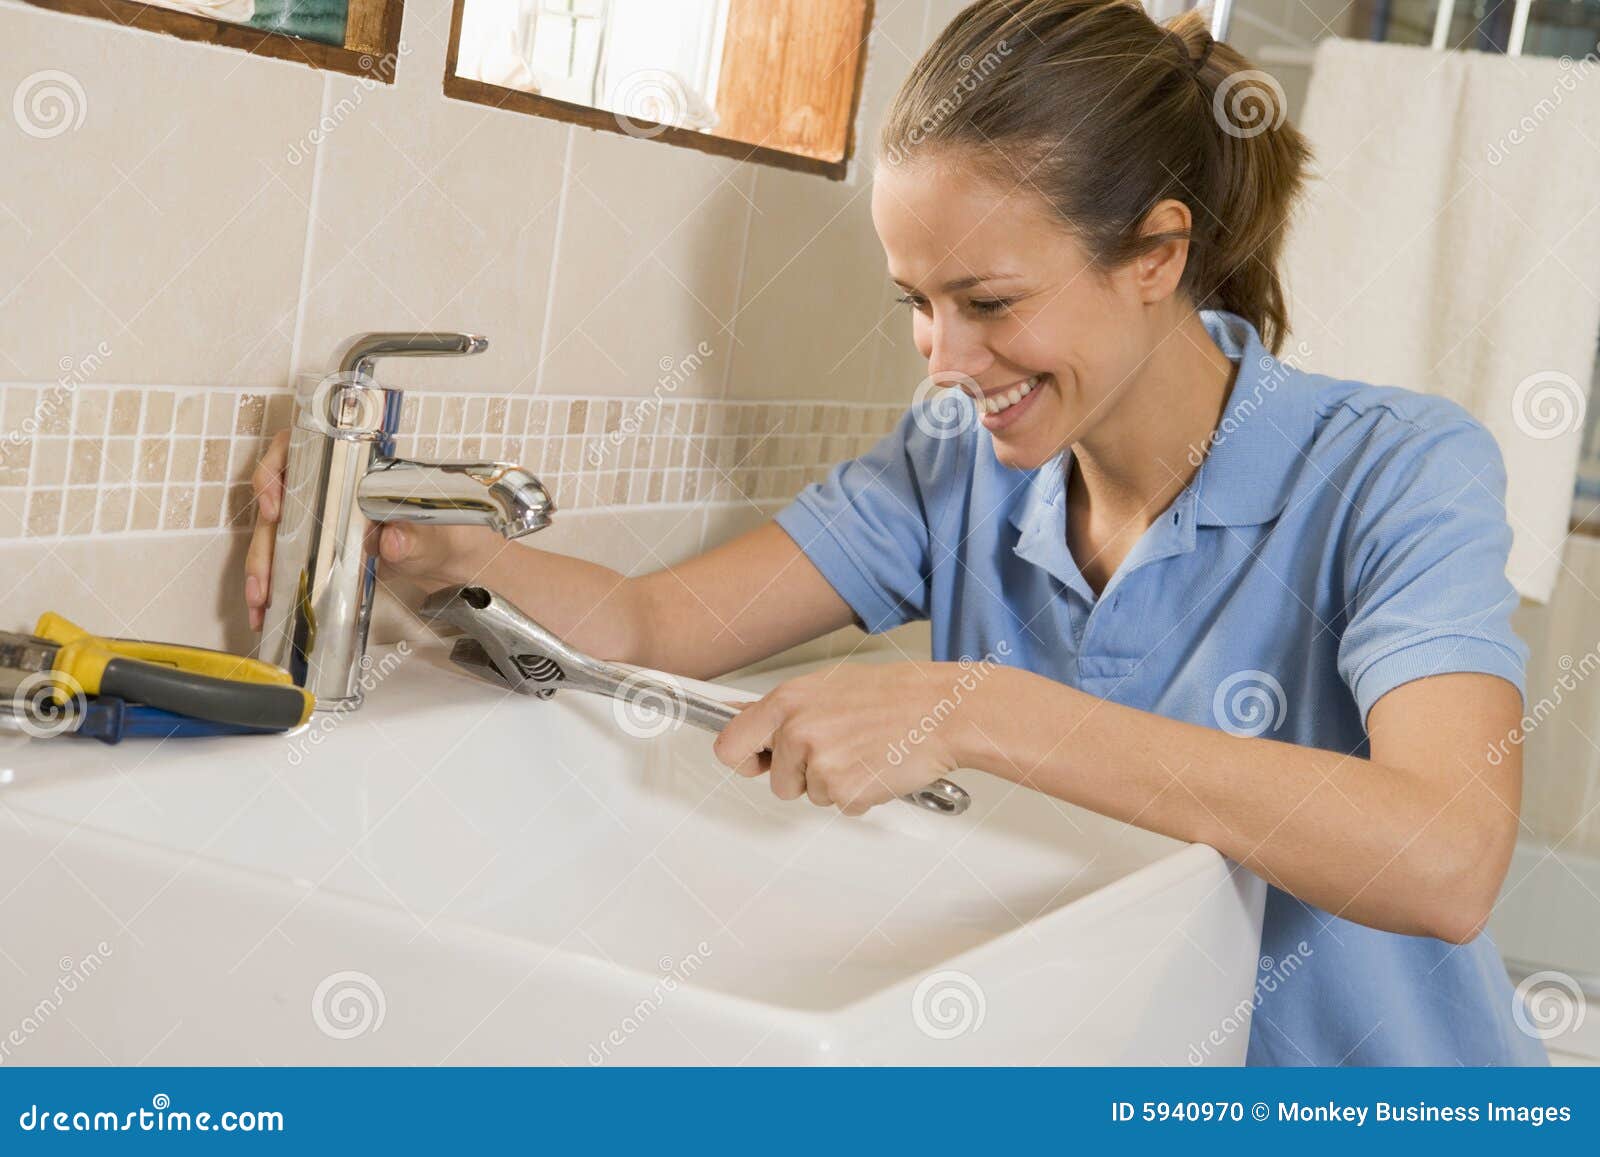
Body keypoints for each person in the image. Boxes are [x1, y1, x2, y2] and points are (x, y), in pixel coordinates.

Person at [245, 0, 1545, 1066]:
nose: (944, 359)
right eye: (918, 302)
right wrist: (445, 552)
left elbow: (1445, 855)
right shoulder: (953, 465)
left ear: (1156, 256)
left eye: (986, 299)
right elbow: (656, 626)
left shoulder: (1395, 467)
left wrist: (977, 707)